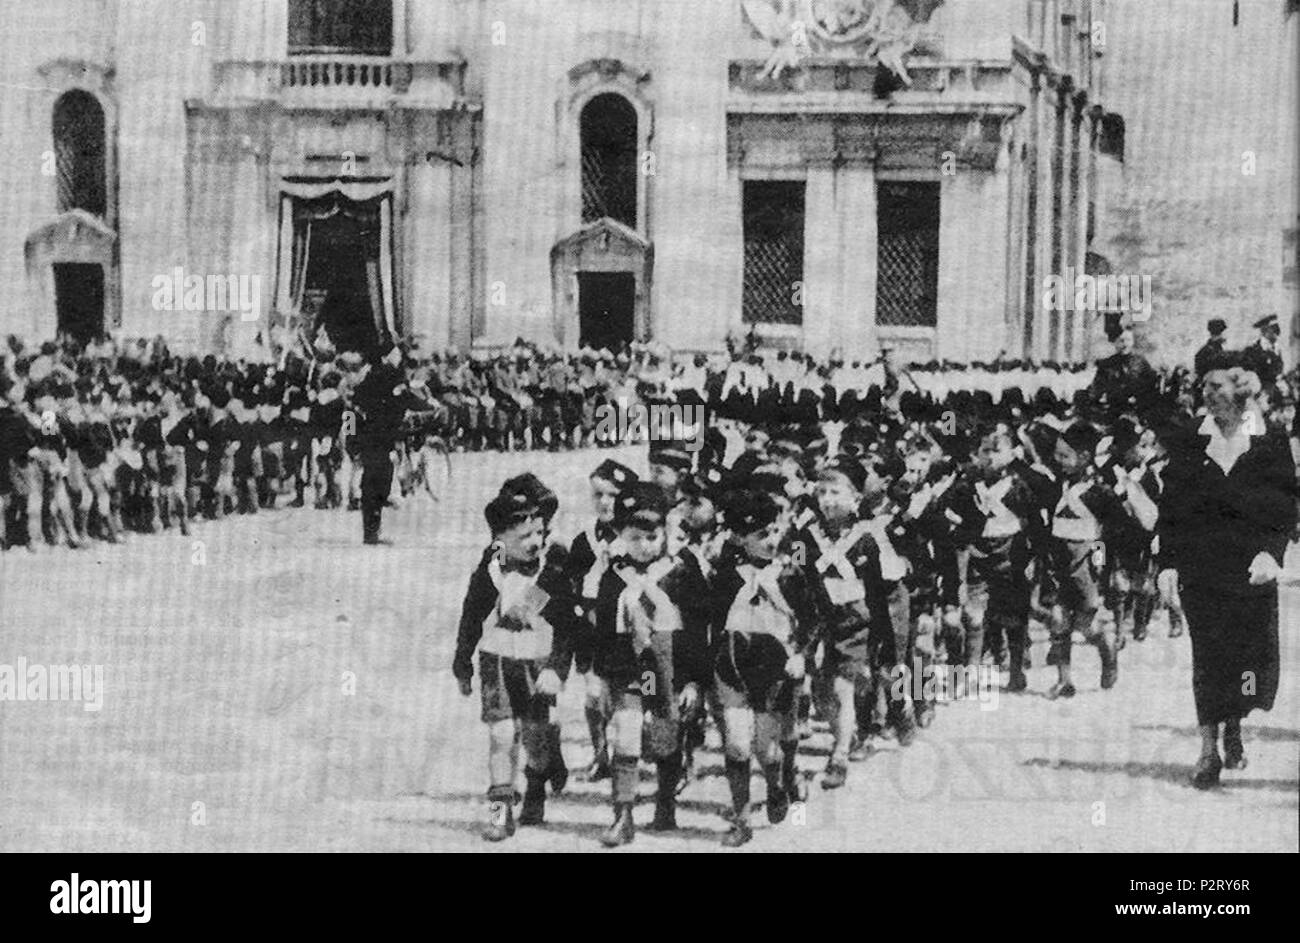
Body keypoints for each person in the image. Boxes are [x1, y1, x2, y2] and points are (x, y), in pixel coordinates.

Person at [1156, 355, 1296, 788]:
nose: (1208, 394)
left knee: (1250, 663)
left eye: (1217, 386)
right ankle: (1207, 749)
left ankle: (1235, 723)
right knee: (1209, 658)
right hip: (1203, 567)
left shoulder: (1268, 439)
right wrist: (1167, 564)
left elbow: (1286, 505)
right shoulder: (1189, 439)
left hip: (1252, 569)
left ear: (1240, 390)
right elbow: (1172, 506)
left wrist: (1272, 554)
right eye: (1205, 387)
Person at [451, 475, 577, 840]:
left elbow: (567, 626)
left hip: (537, 664)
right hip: (496, 662)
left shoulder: (550, 572)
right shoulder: (488, 571)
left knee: (536, 739)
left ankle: (536, 784)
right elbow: (471, 615)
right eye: (524, 537)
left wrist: (557, 668)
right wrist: (463, 661)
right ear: (499, 539)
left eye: (539, 533)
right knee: (501, 736)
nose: (535, 542)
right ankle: (499, 811)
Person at [352, 342, 425, 544]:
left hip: (369, 438)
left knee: (372, 482)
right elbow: (406, 399)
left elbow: (351, 411)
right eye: (396, 353)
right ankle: (372, 533)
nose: (398, 356)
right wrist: (427, 407)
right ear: (386, 356)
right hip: (381, 438)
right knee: (377, 483)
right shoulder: (390, 375)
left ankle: (371, 532)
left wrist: (352, 441)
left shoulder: (365, 378)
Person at [1242, 313, 1285, 389]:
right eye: (1273, 329)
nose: (1277, 333)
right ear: (1264, 331)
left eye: (1277, 329)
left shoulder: (1276, 349)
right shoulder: (1253, 350)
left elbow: (1278, 370)